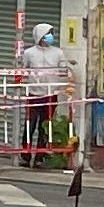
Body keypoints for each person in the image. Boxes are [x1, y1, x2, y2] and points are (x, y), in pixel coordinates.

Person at [17, 21, 76, 159]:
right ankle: (25, 155)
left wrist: (68, 65)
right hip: (33, 94)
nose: (50, 36)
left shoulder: (58, 53)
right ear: (40, 36)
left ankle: (40, 156)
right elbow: (22, 70)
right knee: (29, 125)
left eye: (51, 34)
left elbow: (63, 69)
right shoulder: (29, 53)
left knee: (45, 126)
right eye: (48, 34)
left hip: (50, 95)